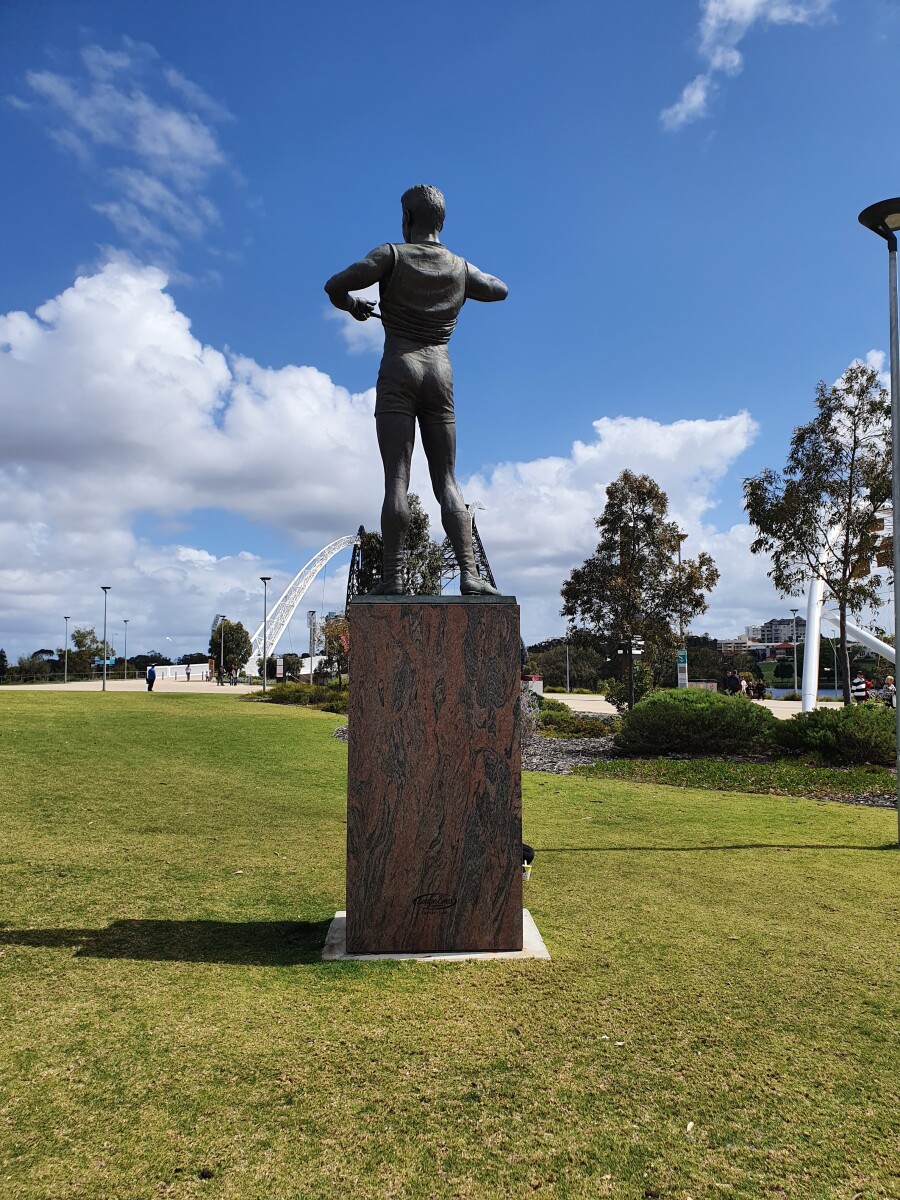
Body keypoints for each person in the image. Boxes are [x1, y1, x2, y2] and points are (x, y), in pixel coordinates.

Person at [325, 184, 508, 595]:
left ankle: (391, 579)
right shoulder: (458, 267)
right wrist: (458, 274)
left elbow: (335, 285)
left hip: (399, 367)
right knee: (447, 479)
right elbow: (499, 289)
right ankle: (469, 573)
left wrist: (355, 306)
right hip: (440, 372)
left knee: (397, 480)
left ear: (407, 218)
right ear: (441, 222)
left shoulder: (391, 255)